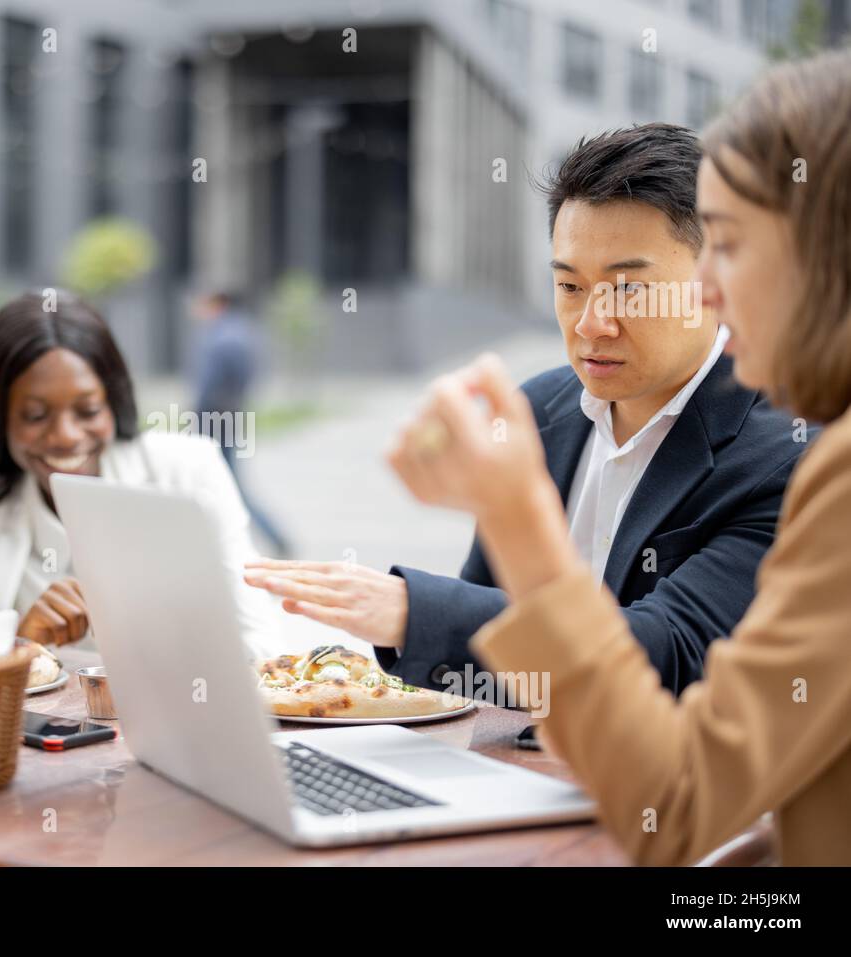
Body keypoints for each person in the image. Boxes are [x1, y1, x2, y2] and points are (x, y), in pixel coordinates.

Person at [386, 50, 851, 865]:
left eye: (733, 249)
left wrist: (517, 519)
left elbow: (670, 805)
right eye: (568, 285)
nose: (710, 293)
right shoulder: (542, 407)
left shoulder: (820, 463)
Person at [245, 124, 810, 696]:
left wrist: (416, 613)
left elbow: (671, 654)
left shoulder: (789, 458)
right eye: (570, 287)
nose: (591, 324)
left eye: (629, 290)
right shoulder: (537, 409)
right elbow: (488, 651)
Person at [0, 289, 278, 655]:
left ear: (113, 401)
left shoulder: (186, 471)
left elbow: (259, 638)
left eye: (87, 410)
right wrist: (9, 631)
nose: (65, 437)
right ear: (0, 420)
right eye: (34, 415)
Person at [191, 290, 292, 557]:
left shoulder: (220, 337)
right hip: (232, 415)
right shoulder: (243, 332)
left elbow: (207, 387)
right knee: (224, 482)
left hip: (214, 419)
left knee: (227, 485)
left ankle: (267, 537)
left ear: (217, 304)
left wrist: (196, 419)